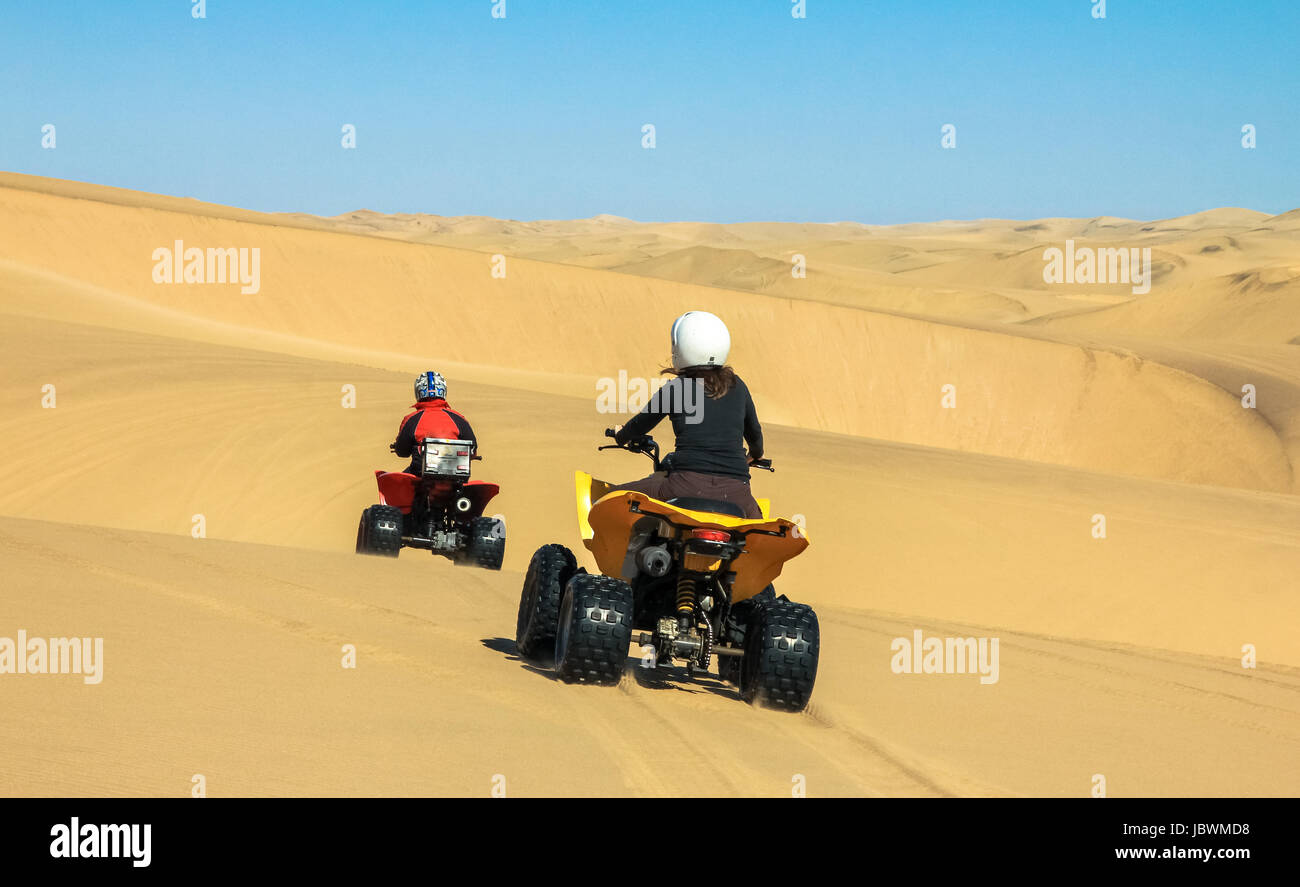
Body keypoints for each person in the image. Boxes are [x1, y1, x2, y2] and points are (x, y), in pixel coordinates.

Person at [609, 311, 765, 519]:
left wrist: (621, 436)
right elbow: (755, 436)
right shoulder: (738, 387)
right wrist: (753, 455)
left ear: (680, 346)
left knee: (610, 498)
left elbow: (639, 425)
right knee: (757, 530)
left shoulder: (676, 389)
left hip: (684, 487)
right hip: (738, 496)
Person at [392, 371, 477, 475]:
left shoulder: (411, 420)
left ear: (418, 392)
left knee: (399, 484)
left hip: (419, 475)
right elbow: (473, 450)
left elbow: (402, 452)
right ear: (443, 390)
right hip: (455, 477)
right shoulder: (459, 419)